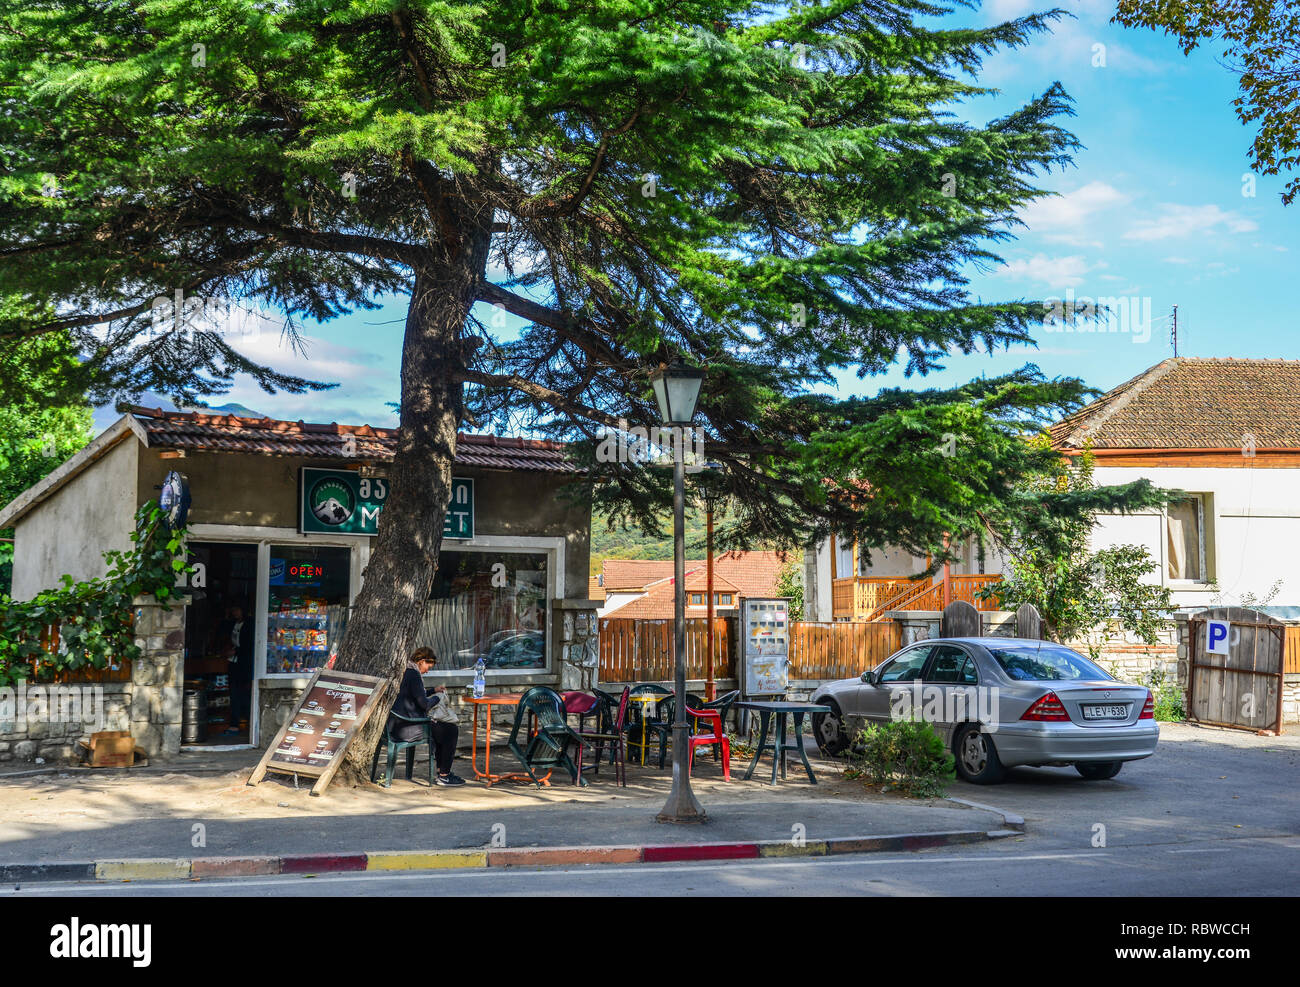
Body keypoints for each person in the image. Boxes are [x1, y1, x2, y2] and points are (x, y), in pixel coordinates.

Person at [392, 647, 464, 786]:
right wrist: (438, 698)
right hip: (408, 726)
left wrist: (433, 691)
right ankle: (444, 775)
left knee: (441, 729)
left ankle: (442, 772)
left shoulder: (408, 671)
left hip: (400, 722)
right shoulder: (414, 675)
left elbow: (418, 695)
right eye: (428, 666)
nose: (428, 670)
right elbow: (424, 704)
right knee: (450, 730)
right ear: (422, 661)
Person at [219, 603, 255, 736]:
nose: (235, 612)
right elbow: (222, 630)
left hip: (243, 663)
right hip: (234, 662)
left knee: (242, 693)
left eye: (237, 609)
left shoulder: (250, 624)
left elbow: (249, 644)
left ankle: (242, 722)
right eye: (233, 610)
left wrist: (235, 652)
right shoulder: (233, 623)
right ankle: (235, 723)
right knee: (234, 693)